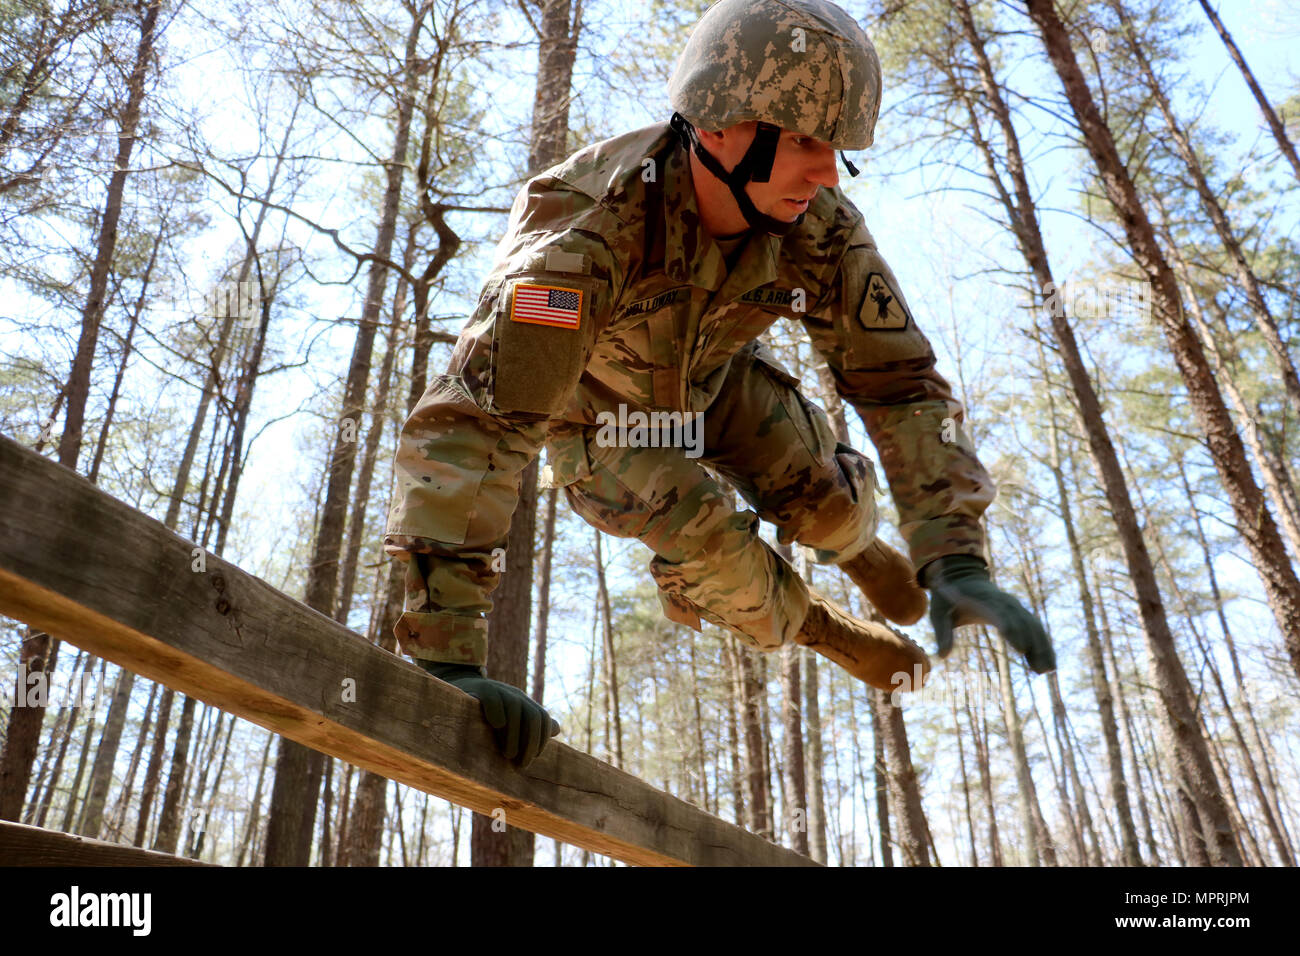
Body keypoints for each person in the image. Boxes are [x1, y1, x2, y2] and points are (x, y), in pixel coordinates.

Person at [384, 0, 1056, 769]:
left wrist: (957, 554)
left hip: (708, 382)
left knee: (833, 503)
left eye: (836, 145)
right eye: (804, 140)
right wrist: (448, 655)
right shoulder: (583, 242)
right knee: (707, 533)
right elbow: (477, 426)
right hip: (599, 422)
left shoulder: (820, 225)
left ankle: (856, 544)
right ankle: (818, 626)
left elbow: (900, 385)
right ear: (714, 127)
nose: (828, 171)